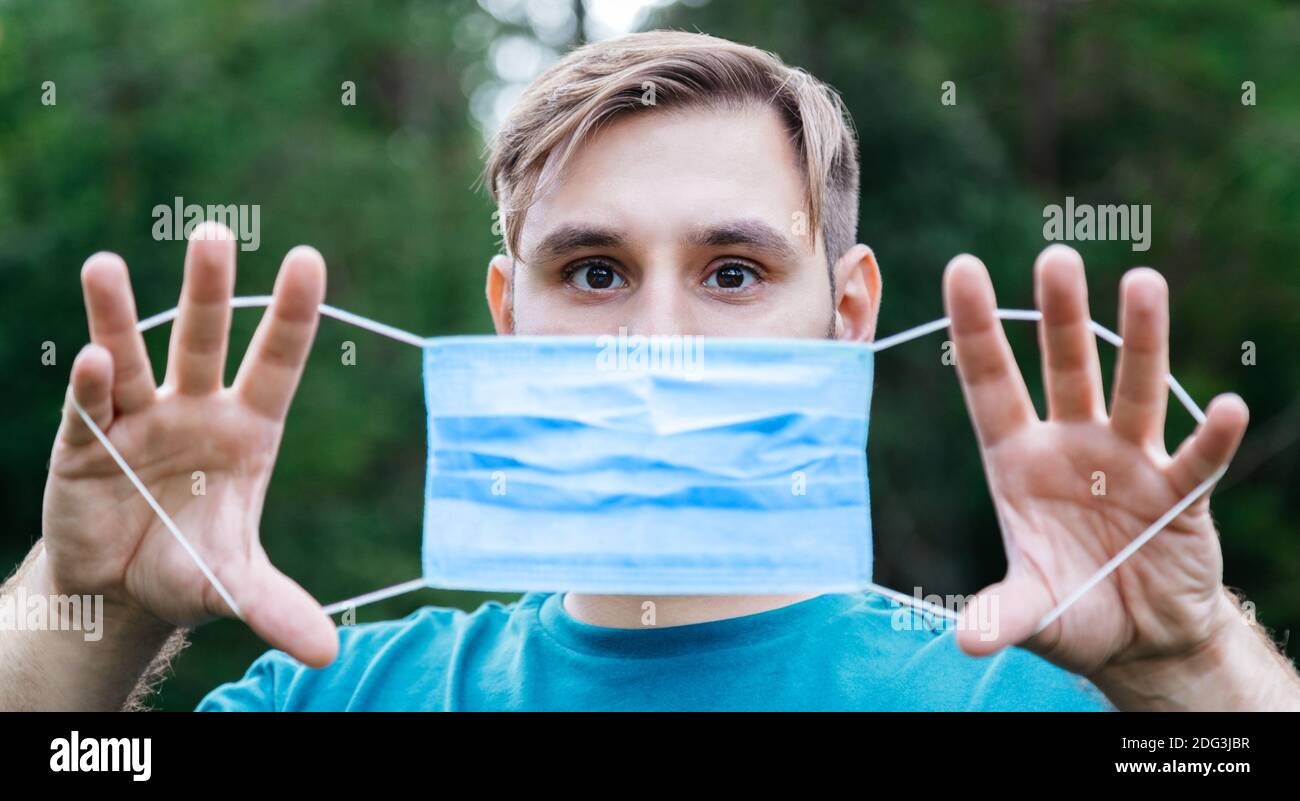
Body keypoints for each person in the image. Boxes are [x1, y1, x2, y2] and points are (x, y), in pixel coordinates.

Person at [3, 31, 1298, 711]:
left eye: (733, 270)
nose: (656, 335)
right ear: (509, 311)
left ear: (848, 315)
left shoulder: (1034, 711)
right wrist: (92, 607)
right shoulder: (336, 701)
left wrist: (1192, 668)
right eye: (595, 271)